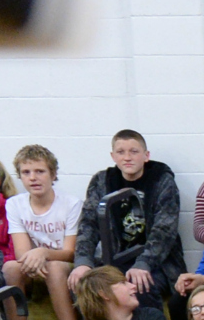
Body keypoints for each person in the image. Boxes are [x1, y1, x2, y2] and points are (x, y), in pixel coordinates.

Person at [70, 128, 184, 302]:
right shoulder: (102, 181)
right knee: (86, 287)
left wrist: (144, 263)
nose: (127, 157)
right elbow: (88, 225)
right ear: (113, 156)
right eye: (121, 152)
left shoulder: (162, 180)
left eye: (134, 152)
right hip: (115, 260)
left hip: (156, 263)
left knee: (140, 287)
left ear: (146, 156)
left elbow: (164, 230)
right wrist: (83, 262)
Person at [3, 143, 80, 320]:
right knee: (10, 268)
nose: (33, 178)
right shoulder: (15, 204)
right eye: (26, 172)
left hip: (63, 264)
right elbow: (21, 253)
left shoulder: (72, 204)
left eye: (40, 171)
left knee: (54, 267)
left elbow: (70, 252)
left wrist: (44, 253)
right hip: (33, 264)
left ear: (53, 175)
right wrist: (37, 257)